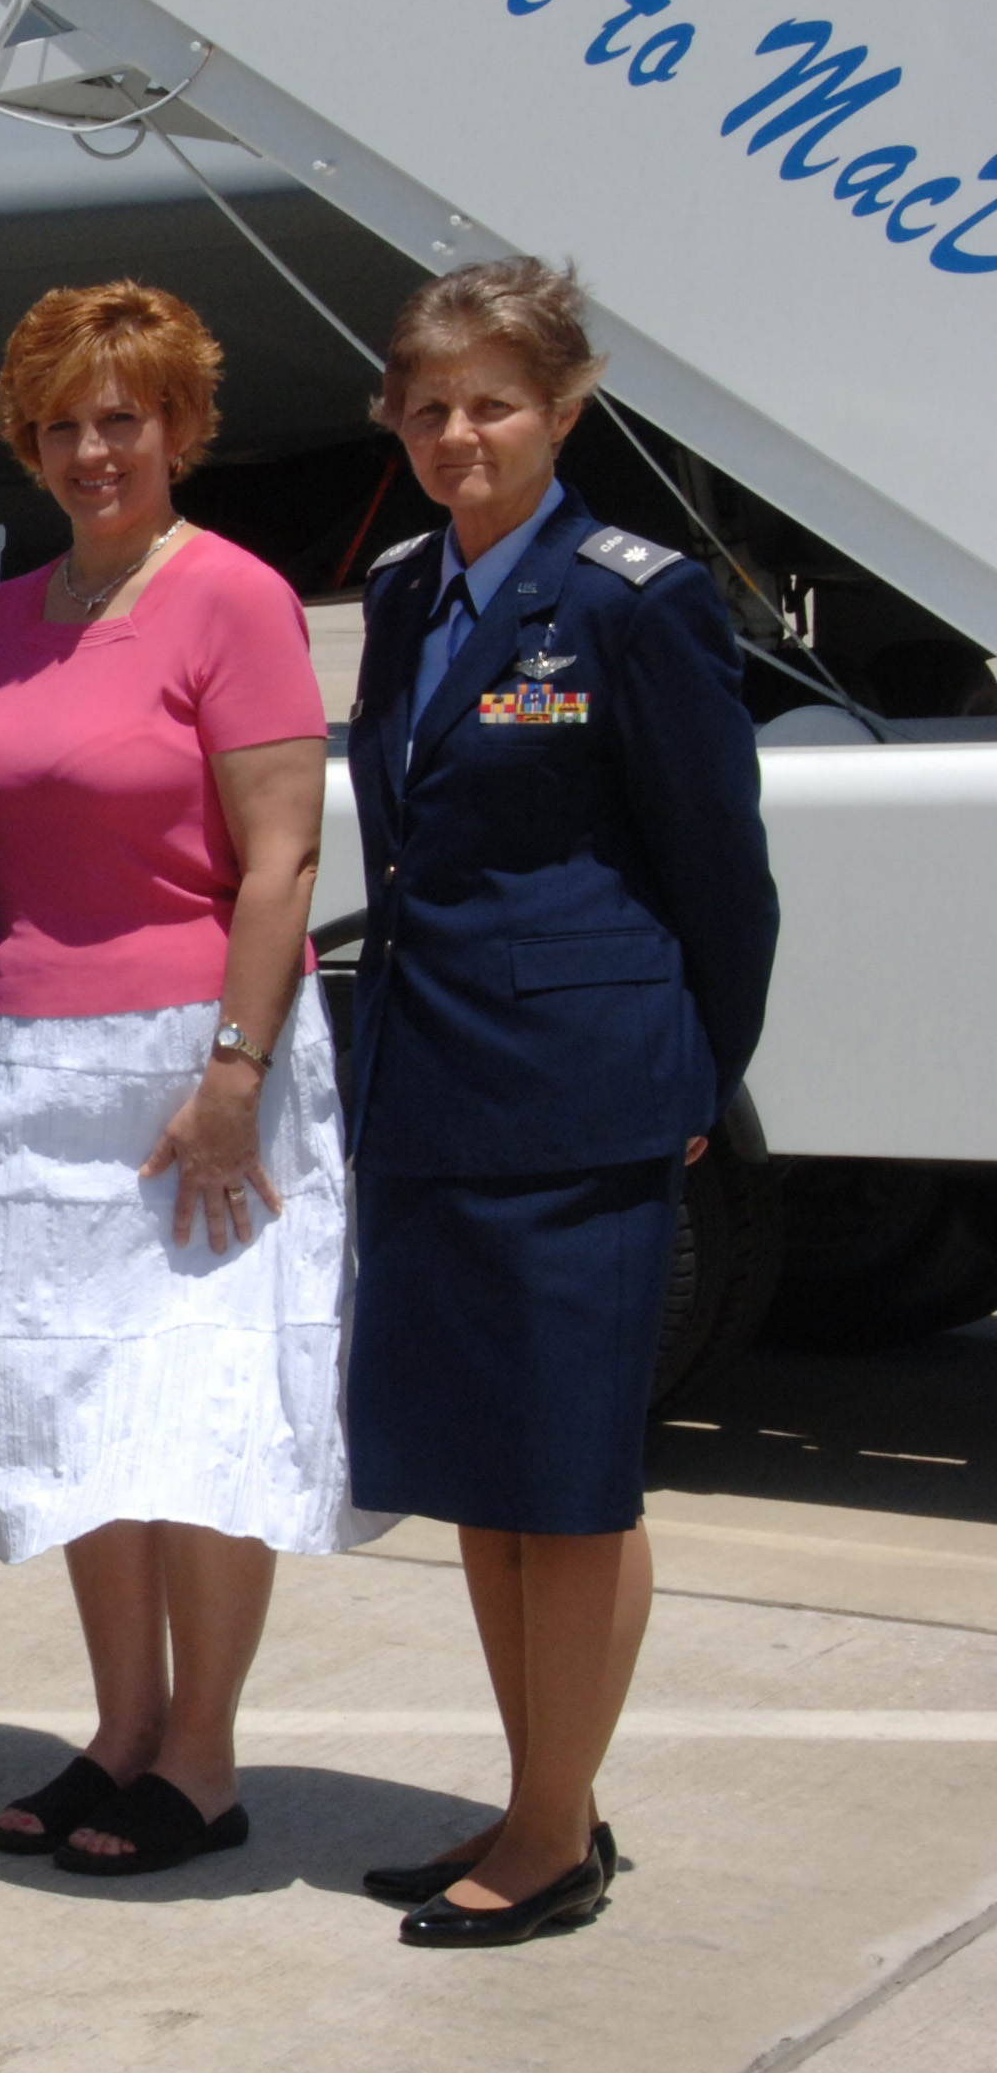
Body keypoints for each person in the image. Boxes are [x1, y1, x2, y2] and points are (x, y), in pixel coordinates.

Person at [0, 281, 379, 1880]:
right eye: (61, 424)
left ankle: (203, 1756)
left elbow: (281, 859)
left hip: (196, 1062)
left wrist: (237, 1072)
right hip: (35, 1055)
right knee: (79, 1412)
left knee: (201, 1410)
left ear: (180, 426)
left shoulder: (233, 598)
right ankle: (117, 1730)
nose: (94, 448)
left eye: (125, 418)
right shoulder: (7, 616)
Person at [341, 257, 777, 1946]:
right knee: (479, 1465)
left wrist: (690, 1070)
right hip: (435, 1082)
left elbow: (716, 874)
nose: (459, 432)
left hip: (582, 1095)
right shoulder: (400, 593)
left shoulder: (630, 598)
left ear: (563, 409)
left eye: (492, 403)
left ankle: (548, 1831)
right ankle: (535, 1797)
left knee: (570, 1473)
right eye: (430, 403)